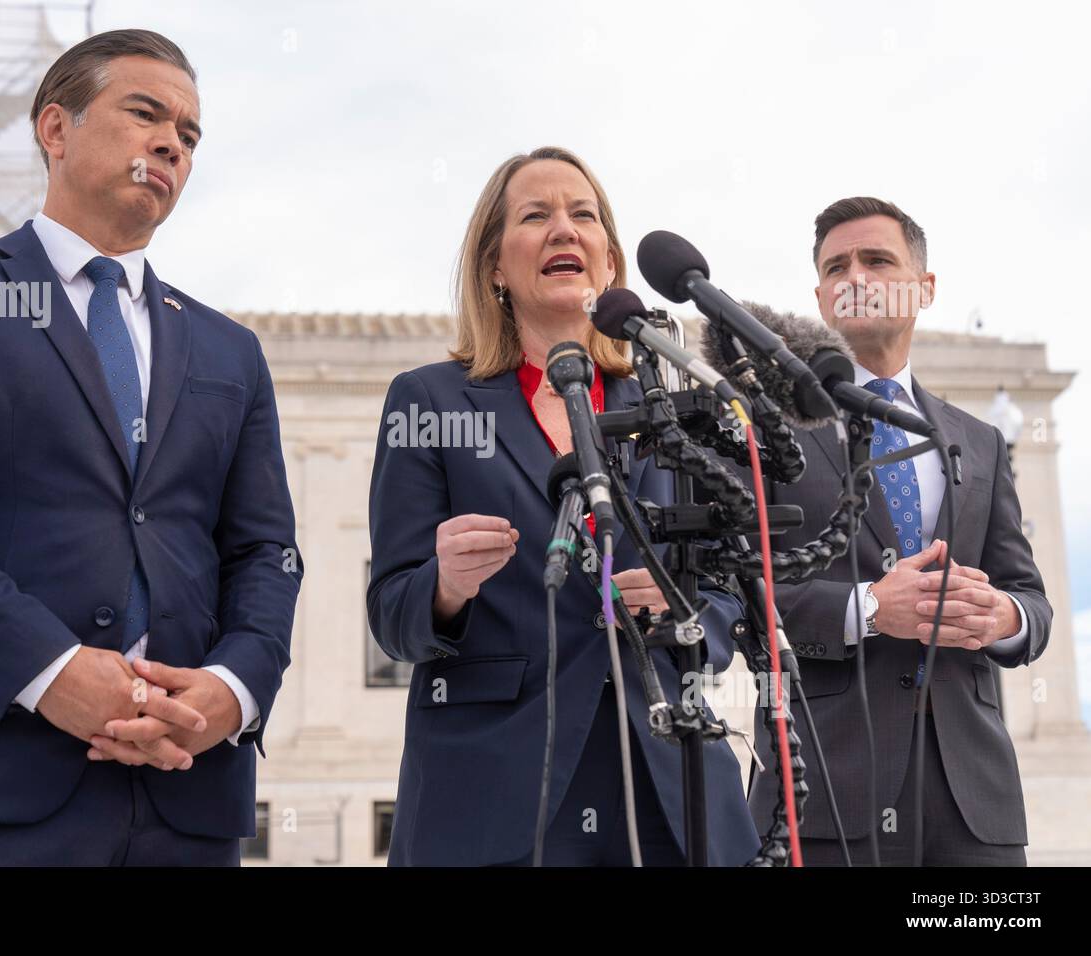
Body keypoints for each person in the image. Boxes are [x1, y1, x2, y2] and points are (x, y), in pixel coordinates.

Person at [0, 29, 301, 866]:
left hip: (187, 795)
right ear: (56, 128)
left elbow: (266, 551)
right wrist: (51, 671)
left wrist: (231, 692)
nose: (171, 143)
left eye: (189, 137)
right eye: (145, 114)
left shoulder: (232, 352)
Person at [367, 146, 759, 866]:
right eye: (535, 216)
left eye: (584, 216)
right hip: (496, 794)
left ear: (610, 263)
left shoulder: (677, 404)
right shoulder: (427, 401)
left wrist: (688, 614)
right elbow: (393, 614)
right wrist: (446, 587)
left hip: (671, 783)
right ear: (494, 265)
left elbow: (735, 589)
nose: (564, 230)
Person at [745, 197, 1051, 865]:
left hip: (975, 806)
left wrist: (1002, 617)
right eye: (837, 267)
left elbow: (1032, 600)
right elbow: (736, 596)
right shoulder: (764, 430)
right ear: (821, 299)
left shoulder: (983, 443)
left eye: (878, 260)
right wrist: (872, 609)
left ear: (925, 287)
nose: (856, 277)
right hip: (824, 795)